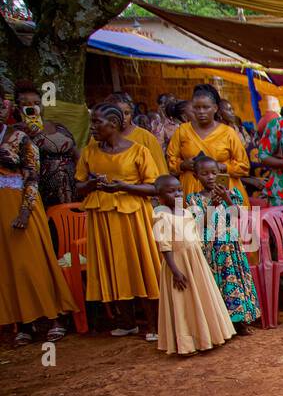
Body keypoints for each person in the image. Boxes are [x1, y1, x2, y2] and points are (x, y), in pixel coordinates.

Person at [75, 103, 161, 339]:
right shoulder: (89, 152)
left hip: (133, 217)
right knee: (115, 266)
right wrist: (93, 184)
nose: (92, 128)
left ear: (113, 125)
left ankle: (152, 324)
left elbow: (154, 186)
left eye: (97, 123)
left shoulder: (138, 151)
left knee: (140, 265)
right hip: (103, 217)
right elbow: (79, 185)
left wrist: (124, 186)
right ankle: (127, 321)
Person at [0, 109, 75, 343]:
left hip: (21, 205)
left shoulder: (20, 138)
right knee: (7, 268)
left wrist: (25, 210)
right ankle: (24, 323)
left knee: (33, 264)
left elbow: (32, 176)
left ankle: (55, 317)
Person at [151, 174, 236, 356]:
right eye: (171, 191)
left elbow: (199, 226)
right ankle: (187, 344)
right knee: (184, 304)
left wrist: (213, 205)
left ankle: (209, 337)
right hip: (178, 264)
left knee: (201, 298)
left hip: (195, 260)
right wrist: (175, 271)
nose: (178, 194)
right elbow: (164, 246)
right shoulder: (161, 214)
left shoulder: (187, 211)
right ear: (159, 196)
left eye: (180, 190)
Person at [185, 154, 260, 334]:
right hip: (211, 249)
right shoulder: (192, 199)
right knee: (215, 284)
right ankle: (219, 325)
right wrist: (212, 205)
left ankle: (240, 322)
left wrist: (225, 199)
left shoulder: (233, 194)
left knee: (234, 282)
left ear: (220, 174)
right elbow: (199, 225)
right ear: (196, 176)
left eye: (213, 173)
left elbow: (238, 215)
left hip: (231, 247)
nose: (210, 177)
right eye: (204, 173)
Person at [166, 83, 250, 197]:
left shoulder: (228, 132)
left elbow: (244, 166)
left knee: (221, 214)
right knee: (195, 214)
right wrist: (182, 165)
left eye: (206, 107)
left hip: (222, 188)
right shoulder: (182, 130)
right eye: (197, 108)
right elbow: (170, 160)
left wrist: (223, 167)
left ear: (215, 108)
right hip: (191, 188)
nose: (201, 112)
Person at [13, 80, 79, 208]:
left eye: (37, 103)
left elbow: (77, 155)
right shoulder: (15, 133)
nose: (32, 107)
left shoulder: (59, 127)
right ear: (18, 108)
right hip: (43, 191)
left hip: (72, 186)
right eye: (26, 104)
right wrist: (25, 135)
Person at [108, 91, 167, 173]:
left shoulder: (146, 137)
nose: (123, 118)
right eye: (118, 113)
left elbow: (161, 171)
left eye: (126, 113)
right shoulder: (100, 138)